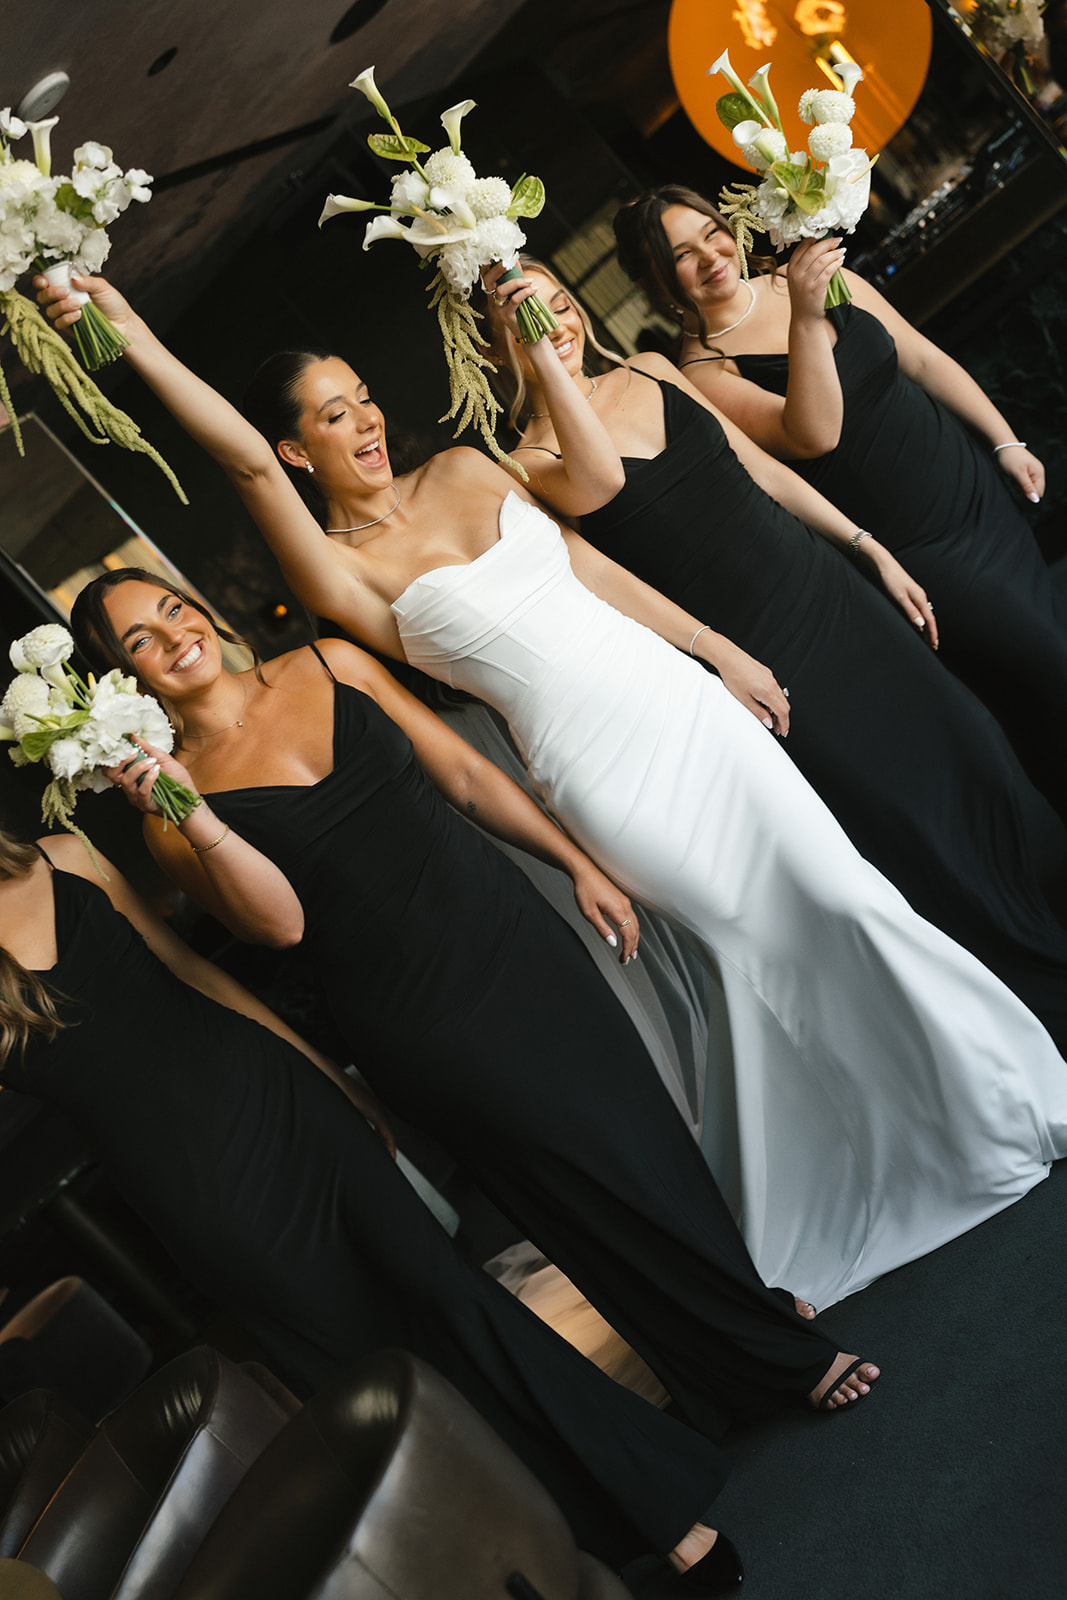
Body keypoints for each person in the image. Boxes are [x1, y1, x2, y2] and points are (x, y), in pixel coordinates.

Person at [43, 274, 1067, 1322]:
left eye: (363, 396)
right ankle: (836, 1186)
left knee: (847, 897)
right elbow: (239, 457)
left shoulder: (464, 465)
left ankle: (995, 1101)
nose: (365, 420)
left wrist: (715, 652)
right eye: (333, 412)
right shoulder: (339, 577)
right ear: (298, 452)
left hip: (684, 706)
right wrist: (128, 333)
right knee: (754, 949)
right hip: (597, 767)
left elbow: (583, 554)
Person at [0, 825, 745, 1579]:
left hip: (276, 1104)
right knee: (374, 1367)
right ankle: (524, 1561)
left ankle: (655, 1506)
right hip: (195, 1192)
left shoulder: (68, 854)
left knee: (452, 1296)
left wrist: (324, 1072)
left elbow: (192, 969)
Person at [475, 255, 1067, 1055]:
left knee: (977, 750)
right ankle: (1028, 1007)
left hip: (828, 595)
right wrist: (548, 371)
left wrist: (867, 549)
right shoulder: (528, 464)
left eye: (559, 305)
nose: (559, 323)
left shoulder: (652, 368)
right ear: (502, 348)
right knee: (902, 821)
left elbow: (760, 472)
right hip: (764, 651)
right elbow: (602, 477)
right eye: (529, 320)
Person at [612, 186, 1067, 826]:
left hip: (965, 487)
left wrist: (1005, 440)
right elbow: (813, 434)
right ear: (658, 281)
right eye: (683, 255)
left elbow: (923, 357)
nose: (711, 256)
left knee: (1048, 659)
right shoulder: (707, 372)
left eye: (712, 233)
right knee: (1045, 667)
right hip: (917, 546)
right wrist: (802, 316)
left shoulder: (819, 278)